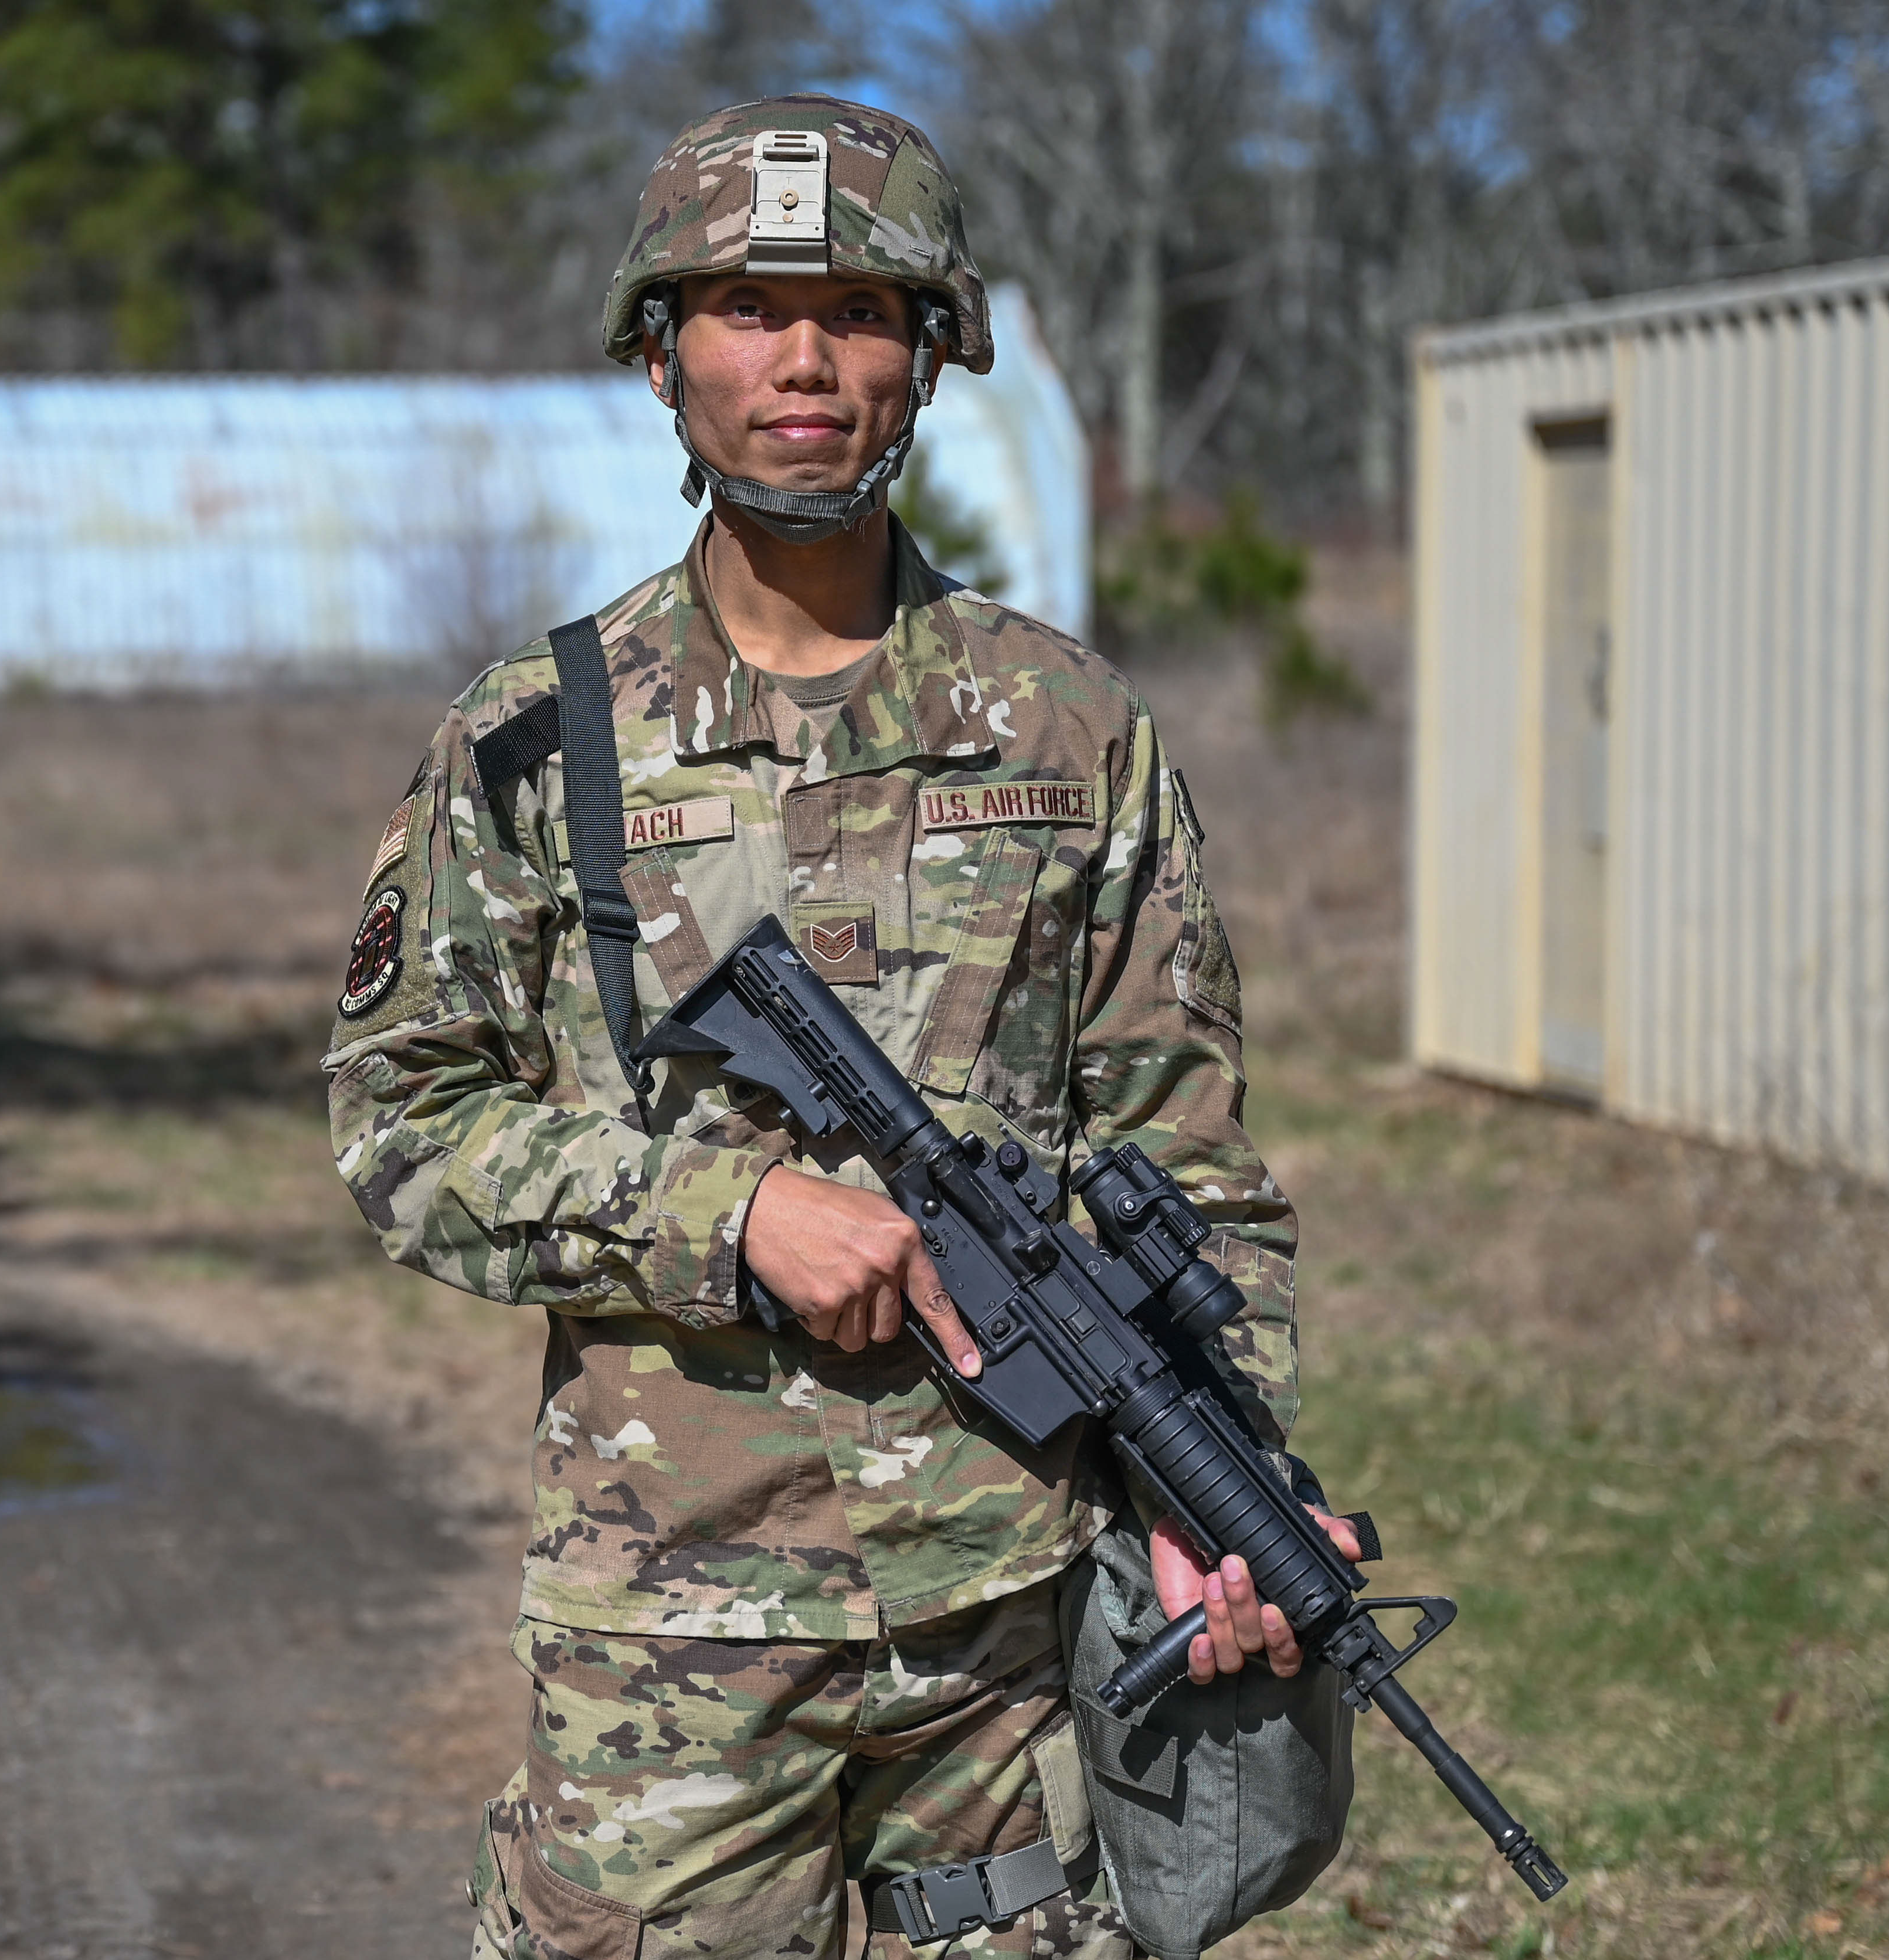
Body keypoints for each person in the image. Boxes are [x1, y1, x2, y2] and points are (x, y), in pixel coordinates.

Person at [322, 94, 1357, 1959]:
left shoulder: (1071, 732)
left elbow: (1190, 1165)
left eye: (861, 311)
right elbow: (399, 1128)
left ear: (934, 357)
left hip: (1008, 1641)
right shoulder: (539, 738)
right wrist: (722, 1221)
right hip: (674, 1638)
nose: (803, 360)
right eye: (740, 305)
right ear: (661, 356)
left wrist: (1234, 1491)